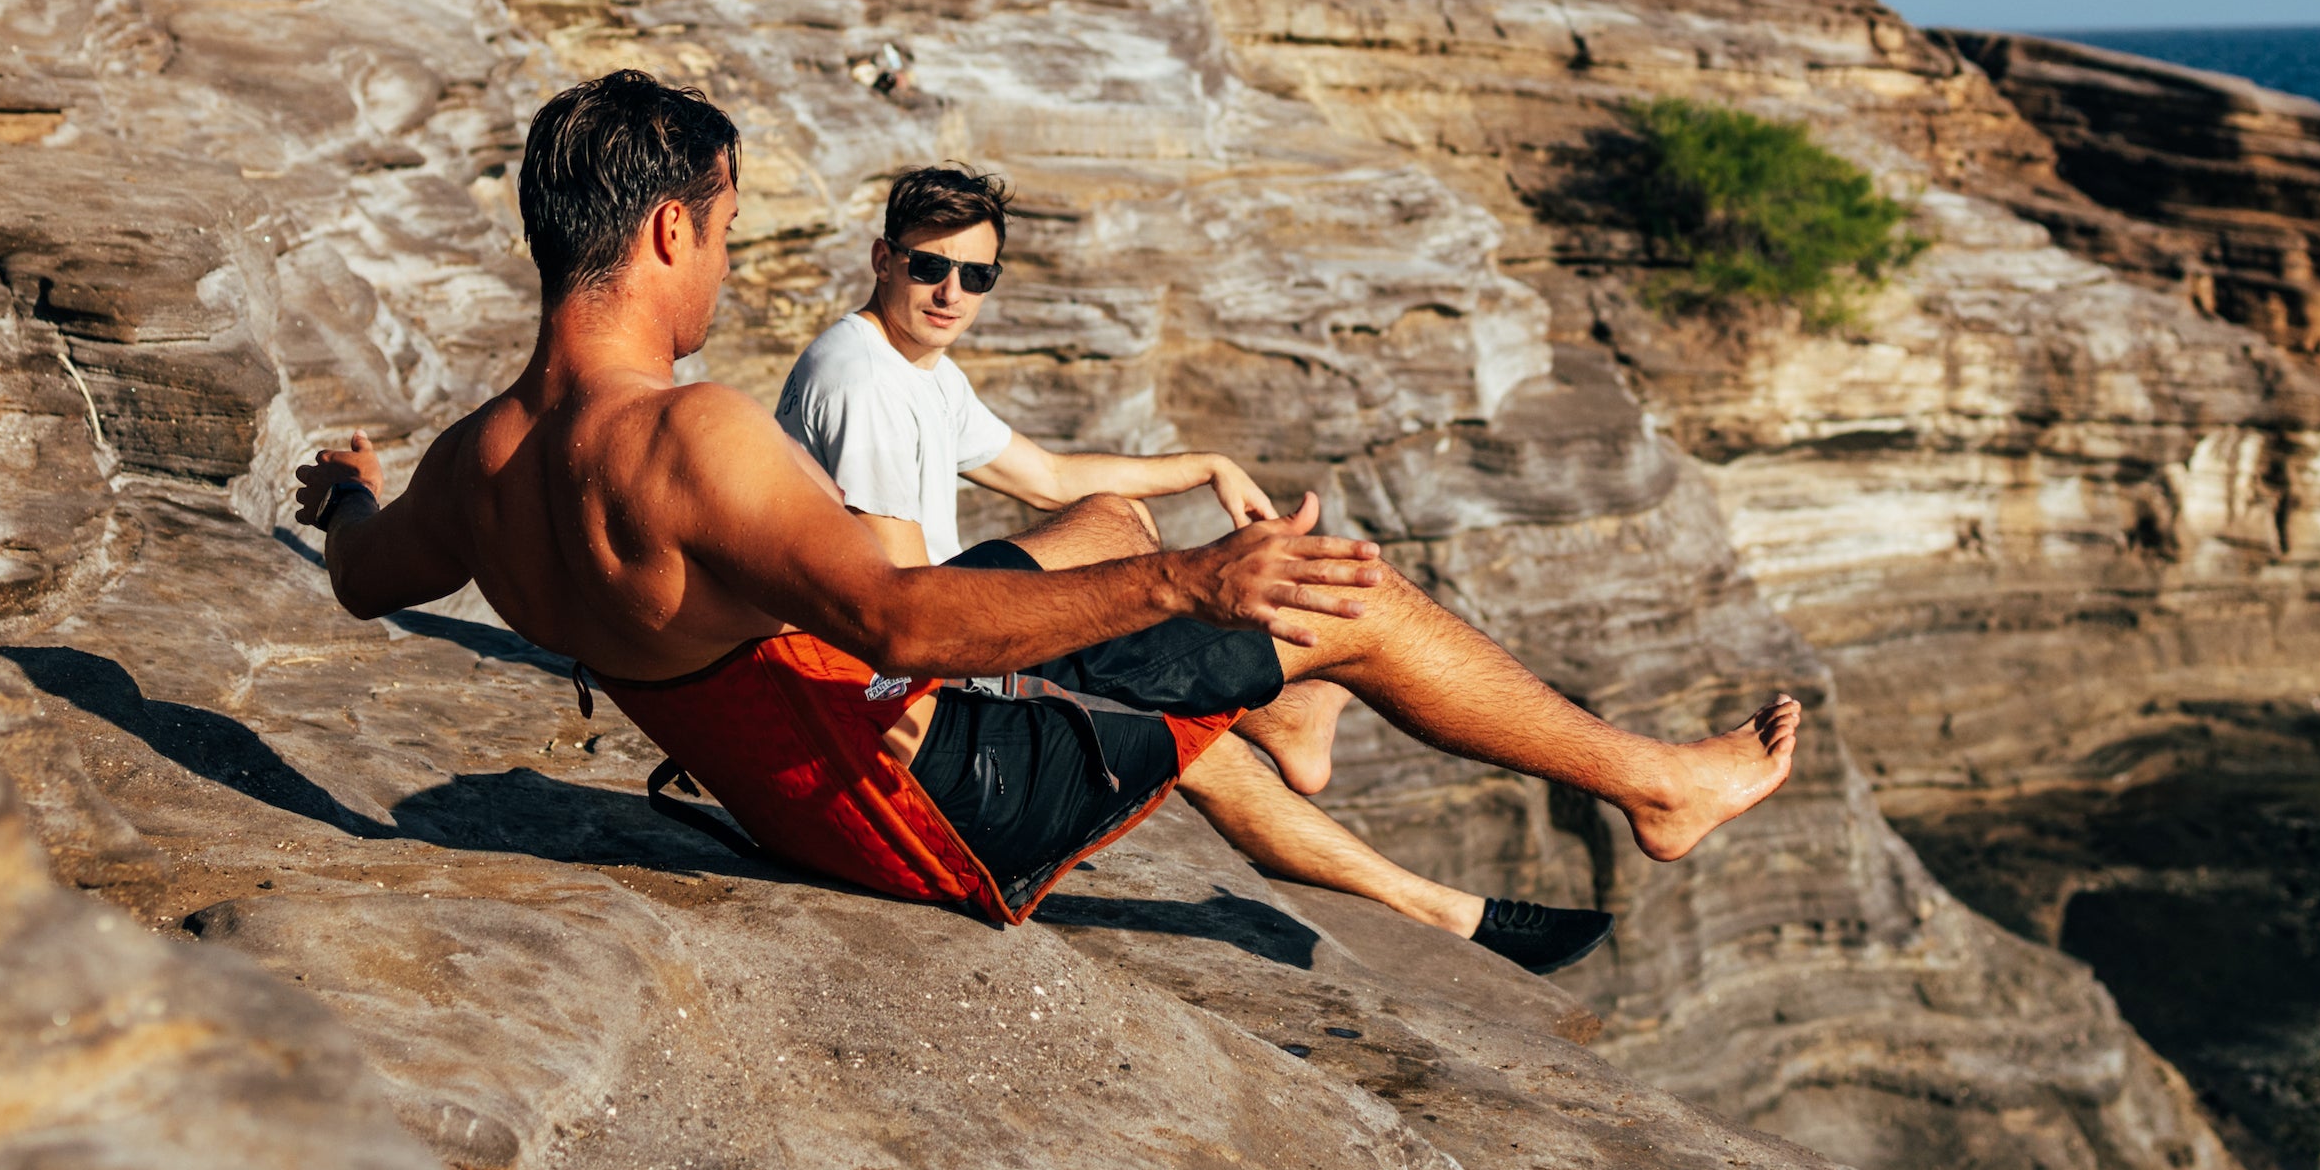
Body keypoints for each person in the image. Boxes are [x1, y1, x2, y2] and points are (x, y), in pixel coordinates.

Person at [295, 72, 1798, 955]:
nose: (729, 275)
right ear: (673, 225)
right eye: (730, 237)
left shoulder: (478, 461)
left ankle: (1287, 719)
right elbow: (903, 620)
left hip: (803, 786)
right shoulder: (693, 435)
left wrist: (356, 492)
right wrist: (1196, 589)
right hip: (940, 813)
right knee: (1334, 591)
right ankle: (1652, 785)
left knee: (1097, 537)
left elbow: (367, 579)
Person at [776, 161, 1627, 968]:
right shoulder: (864, 382)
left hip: (900, 681)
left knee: (1117, 531)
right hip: (890, 714)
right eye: (930, 267)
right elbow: (908, 624)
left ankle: (1437, 906)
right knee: (1171, 621)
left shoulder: (919, 370)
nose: (952, 293)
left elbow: (1050, 479)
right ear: (883, 258)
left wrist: (1207, 464)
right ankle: (1289, 721)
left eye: (978, 277)